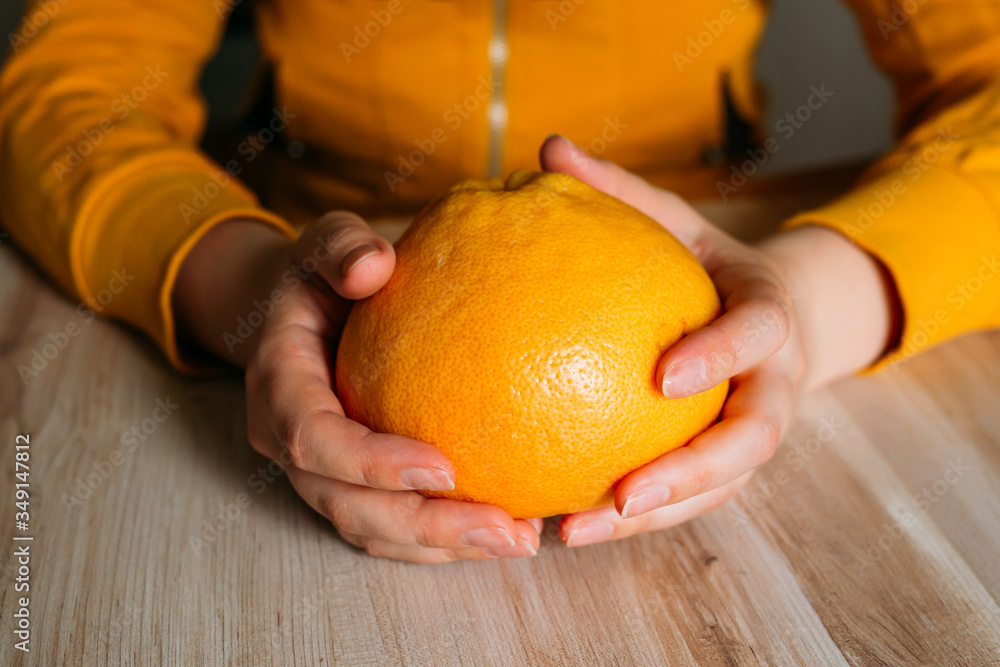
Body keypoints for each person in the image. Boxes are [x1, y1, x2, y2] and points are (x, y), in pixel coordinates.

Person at [1, 1, 998, 564]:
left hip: (689, 255)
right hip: (325, 250)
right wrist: (250, 282)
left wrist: (804, 304)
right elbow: (60, 96)